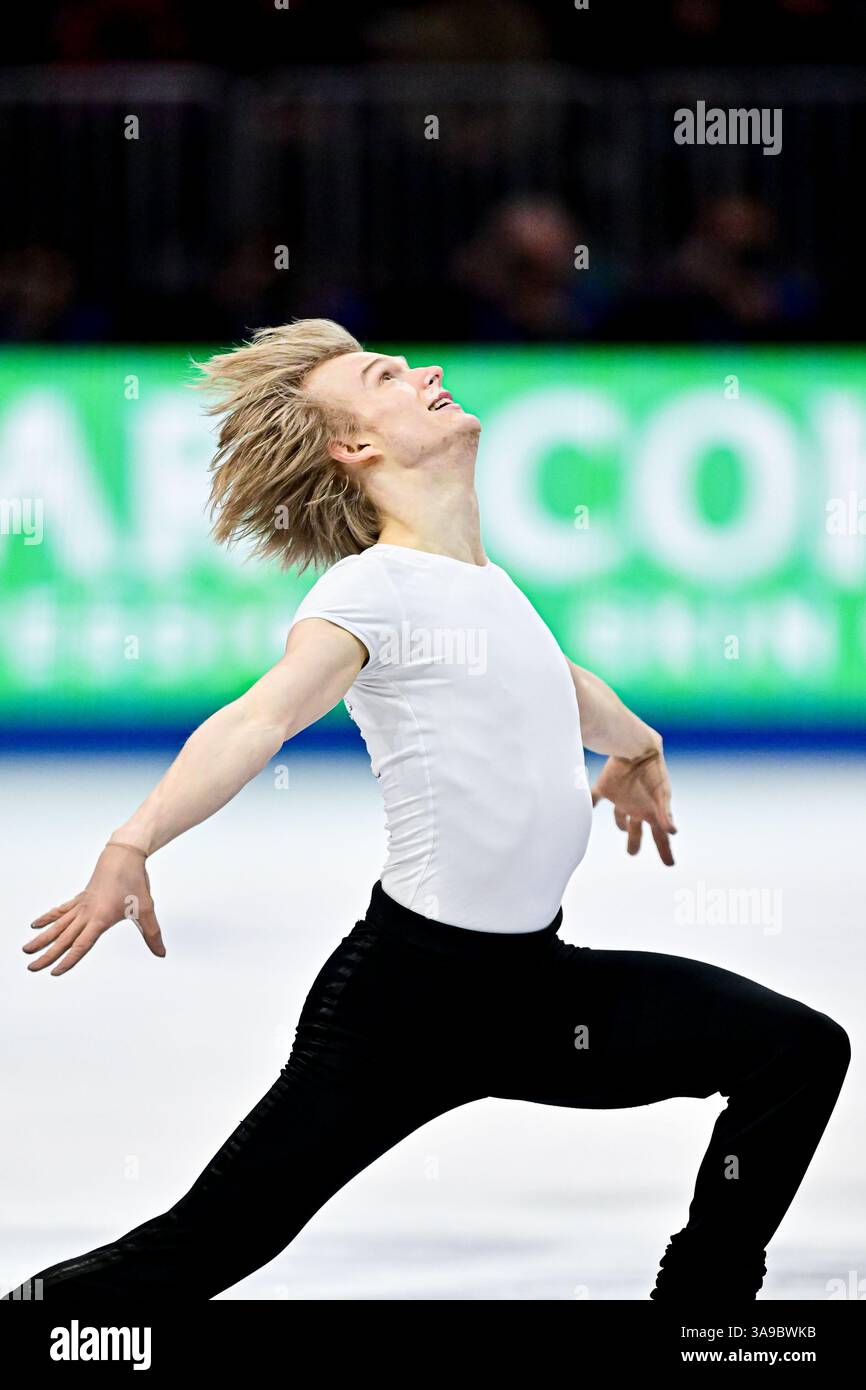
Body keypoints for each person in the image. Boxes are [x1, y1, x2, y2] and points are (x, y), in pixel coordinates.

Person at [4, 319, 850, 1301]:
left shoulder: (481, 587)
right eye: (387, 376)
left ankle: (699, 1311)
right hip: (403, 1004)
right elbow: (260, 717)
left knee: (797, 1051)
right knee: (205, 1246)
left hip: (535, 993)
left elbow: (550, 678)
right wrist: (133, 837)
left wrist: (634, 743)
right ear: (353, 446)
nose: (427, 373)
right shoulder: (368, 592)